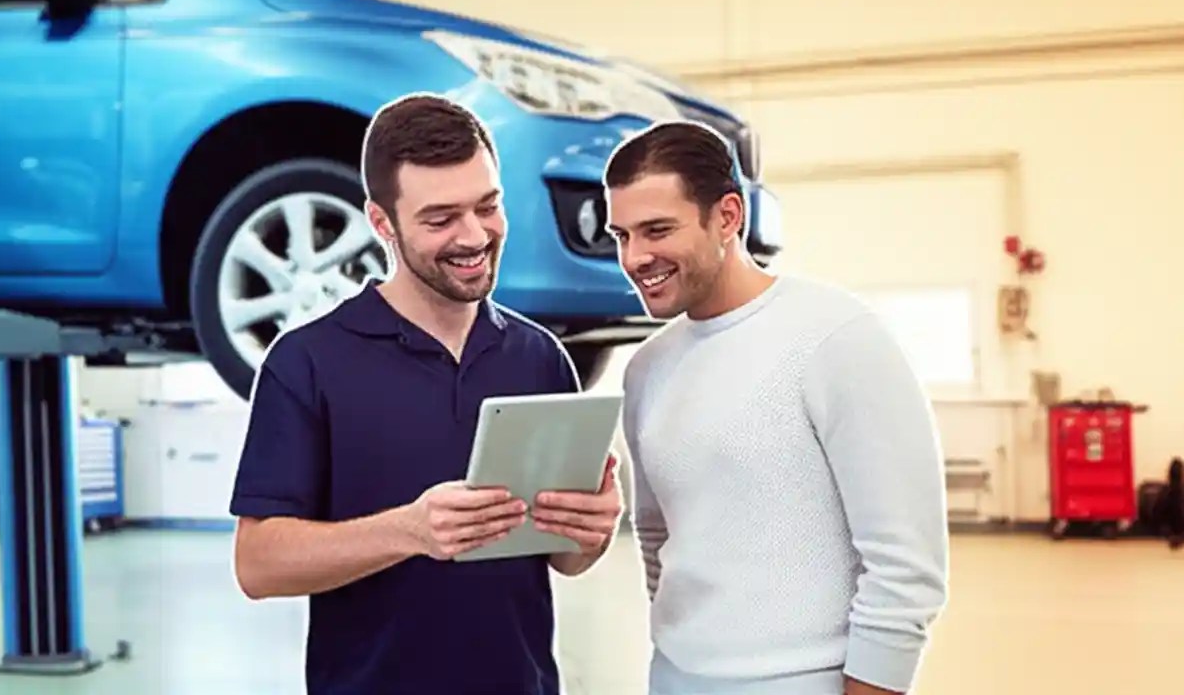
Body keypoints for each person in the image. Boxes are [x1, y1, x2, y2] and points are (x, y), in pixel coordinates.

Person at [229, 93, 624, 695]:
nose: (474, 236)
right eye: (440, 219)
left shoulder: (540, 357)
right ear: (382, 223)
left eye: (487, 207)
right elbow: (257, 565)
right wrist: (407, 531)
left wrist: (591, 528)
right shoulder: (306, 362)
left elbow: (560, 558)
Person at [604, 121, 949, 695]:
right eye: (622, 235)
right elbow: (657, 537)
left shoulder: (836, 336)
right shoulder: (647, 368)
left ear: (728, 216)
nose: (636, 257)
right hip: (673, 679)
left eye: (657, 230)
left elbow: (905, 565)